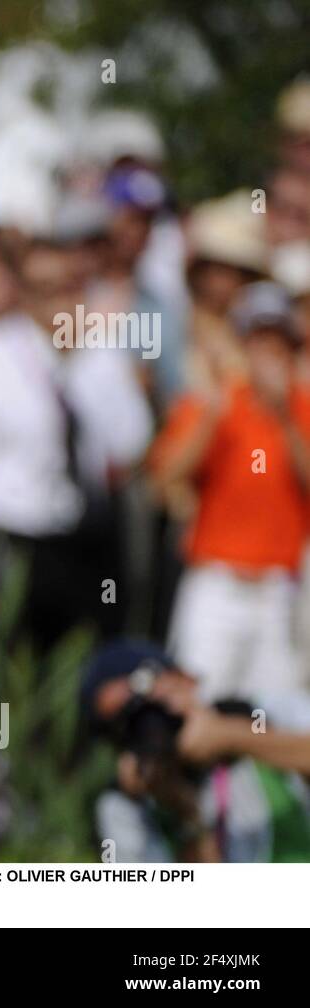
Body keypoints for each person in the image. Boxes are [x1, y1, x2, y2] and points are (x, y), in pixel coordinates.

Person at [0, 237, 152, 648]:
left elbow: (131, 443)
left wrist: (87, 368)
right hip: (17, 546)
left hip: (87, 543)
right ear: (23, 292)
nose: (61, 300)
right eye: (45, 288)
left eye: (70, 285)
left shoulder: (99, 355)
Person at [149, 282, 310, 701]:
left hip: (278, 589)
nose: (268, 357)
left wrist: (287, 420)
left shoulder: (303, 409)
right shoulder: (213, 404)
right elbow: (165, 477)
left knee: (278, 711)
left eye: (278, 344)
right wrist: (212, 417)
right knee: (195, 698)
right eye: (258, 342)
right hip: (215, 583)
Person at [82, 640, 310, 863]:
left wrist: (234, 738)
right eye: (121, 724)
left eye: (145, 691)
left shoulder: (262, 712)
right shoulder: (125, 807)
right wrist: (186, 813)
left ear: (184, 678)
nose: (145, 722)